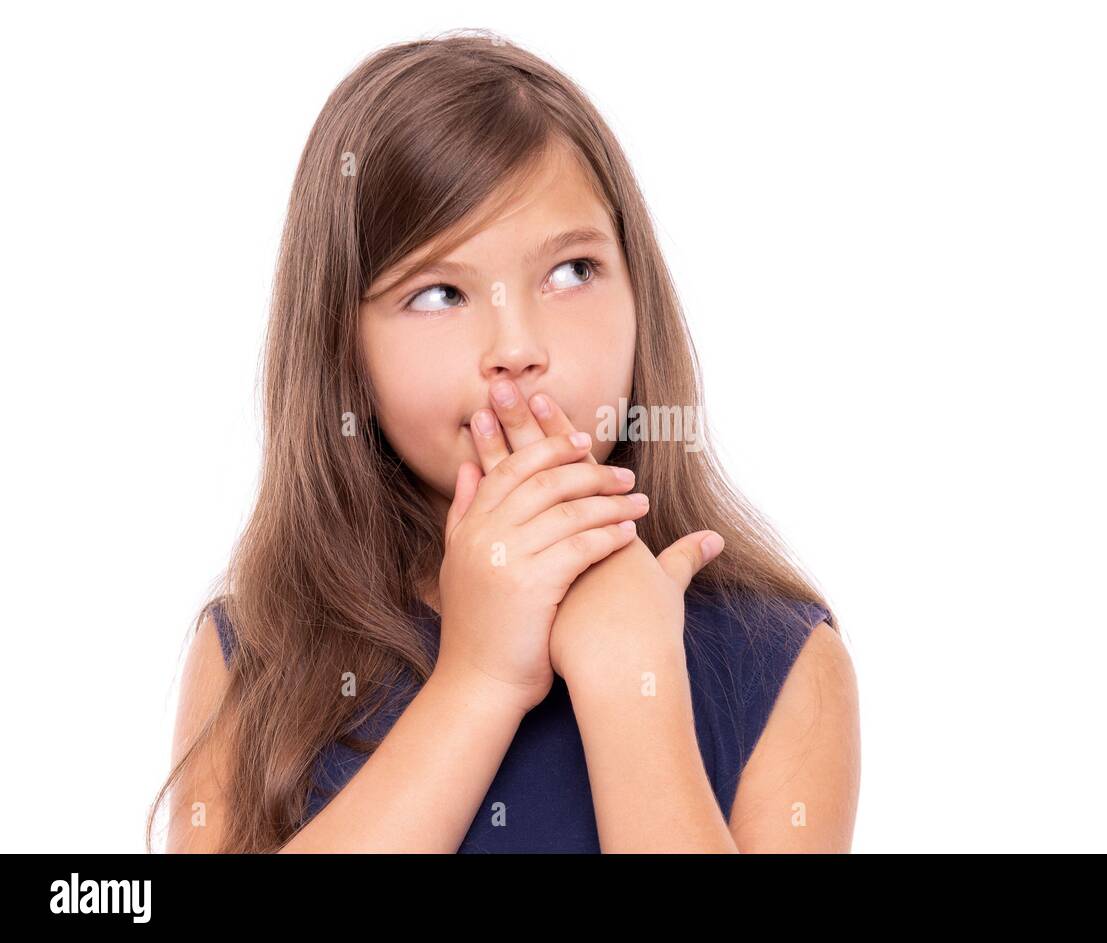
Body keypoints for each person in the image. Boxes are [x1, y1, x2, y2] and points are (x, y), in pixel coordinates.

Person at [149, 31, 859, 853]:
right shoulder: (263, 650)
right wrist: (478, 680)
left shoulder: (779, 658)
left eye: (571, 272)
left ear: (640, 294)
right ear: (343, 349)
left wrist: (636, 689)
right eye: (441, 292)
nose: (517, 343)